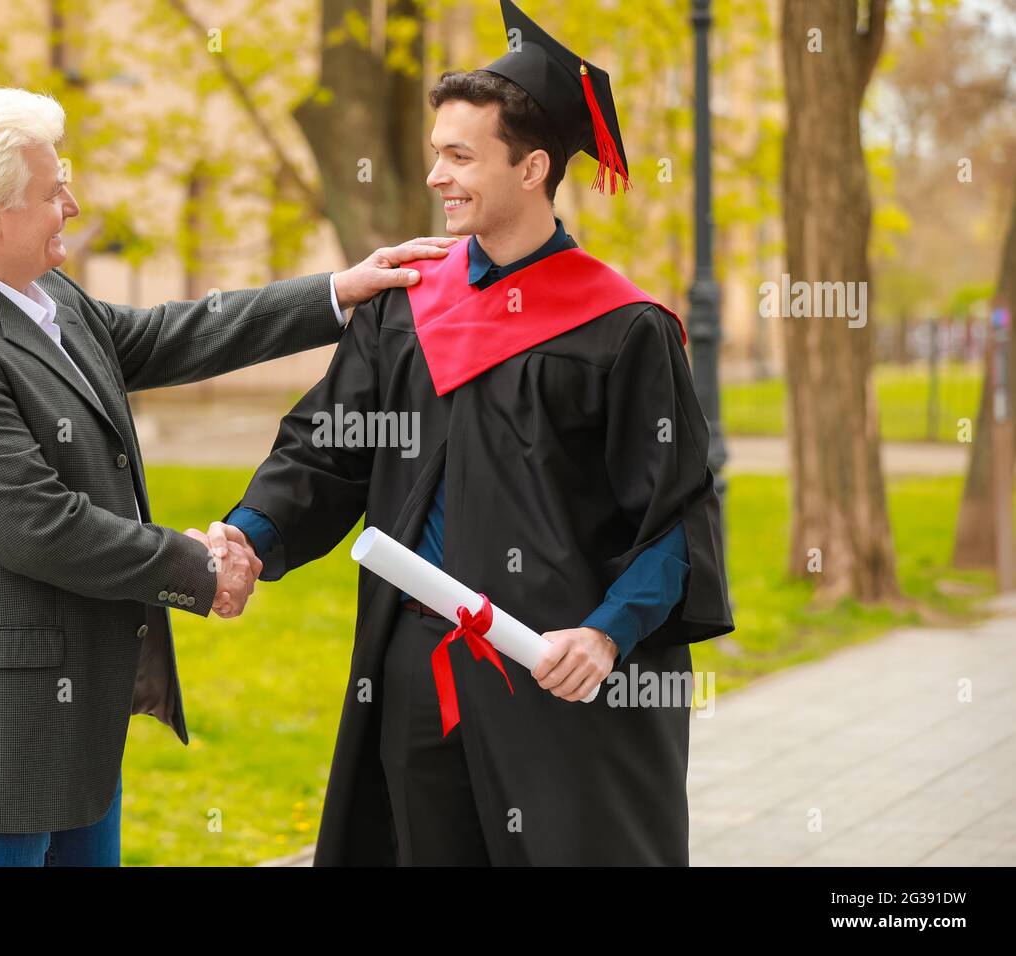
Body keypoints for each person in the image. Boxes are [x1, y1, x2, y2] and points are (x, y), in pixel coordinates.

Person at [0, 85, 455, 866]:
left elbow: (170, 334)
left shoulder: (44, 298)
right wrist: (199, 571)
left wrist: (335, 293)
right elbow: (40, 528)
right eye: (52, 191)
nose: (72, 204)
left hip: (77, 717)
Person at [213, 0, 734, 864]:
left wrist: (605, 633)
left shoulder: (622, 328)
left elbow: (677, 516)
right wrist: (250, 537)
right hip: (419, 660)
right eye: (435, 154)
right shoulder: (410, 304)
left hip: (558, 669)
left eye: (459, 156)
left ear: (532, 168)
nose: (436, 177)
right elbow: (328, 448)